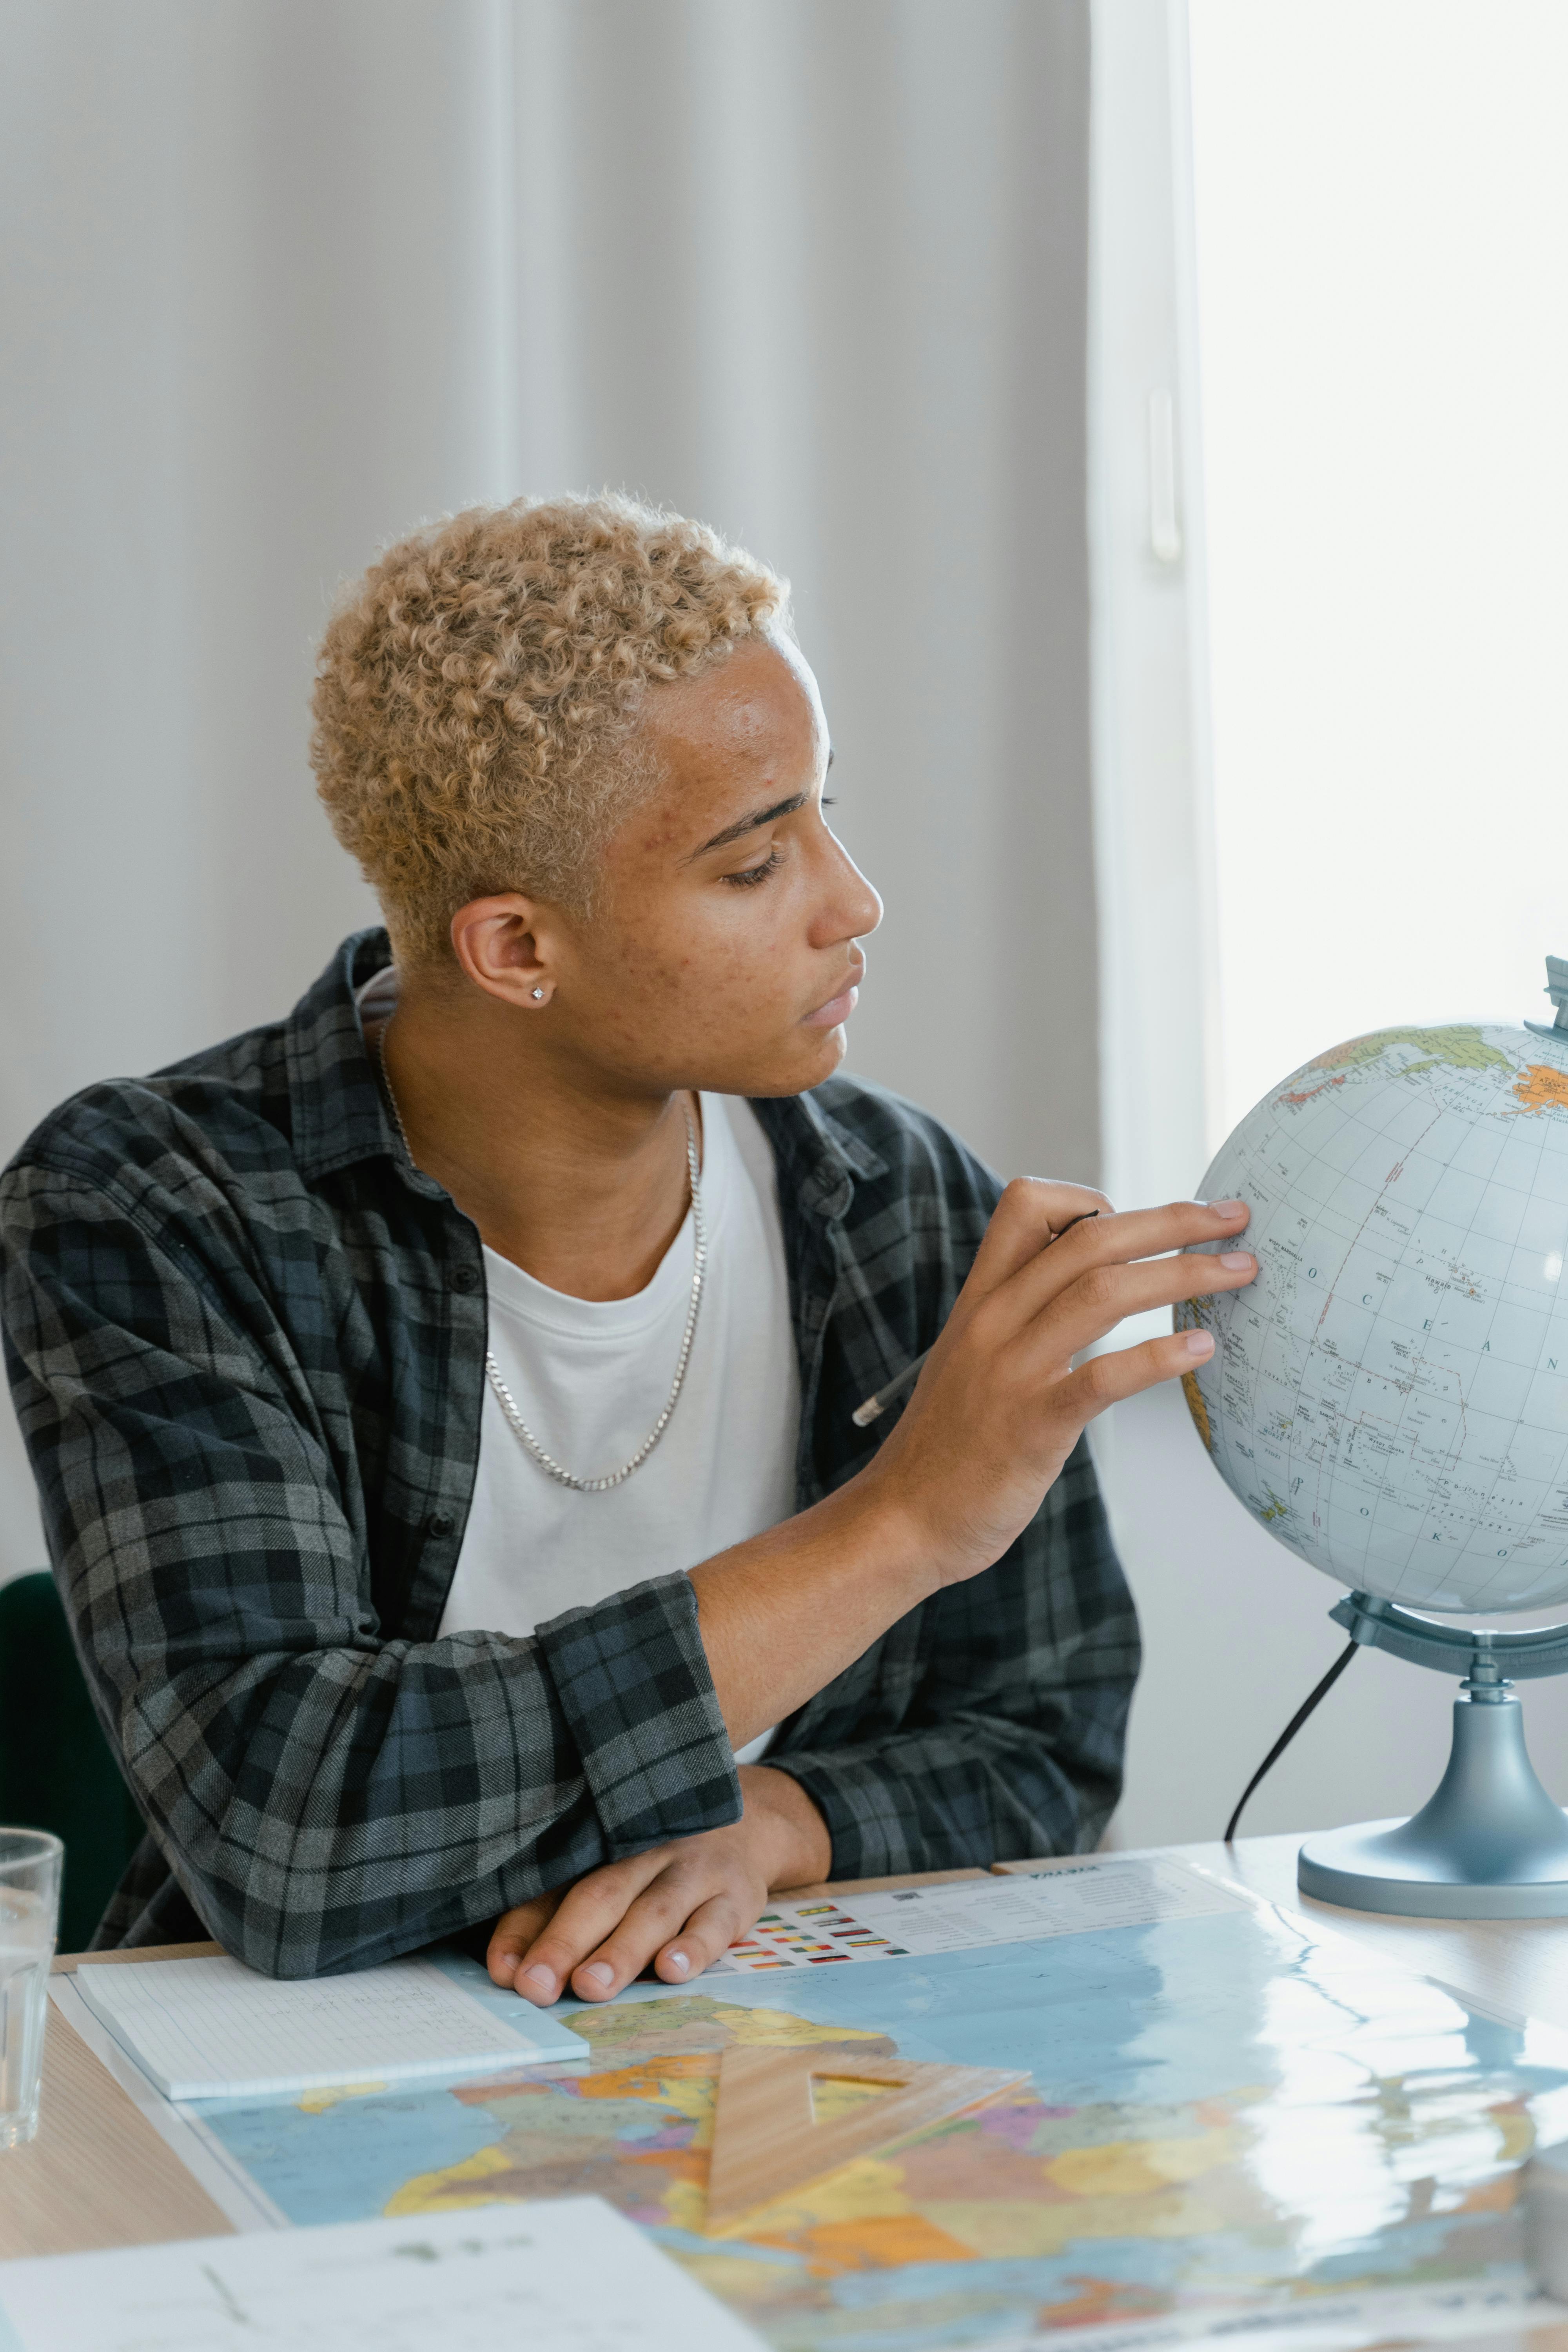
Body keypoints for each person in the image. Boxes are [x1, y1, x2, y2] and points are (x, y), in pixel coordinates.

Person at [0, 497, 1254, 1995]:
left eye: (824, 813)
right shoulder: (152, 1202)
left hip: (761, 2070)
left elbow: (1044, 1738)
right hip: (291, 2073)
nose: (853, 905)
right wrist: (898, 1526)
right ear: (516, 949)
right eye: (751, 866)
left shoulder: (900, 1200)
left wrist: (777, 1822)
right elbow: (289, 1829)